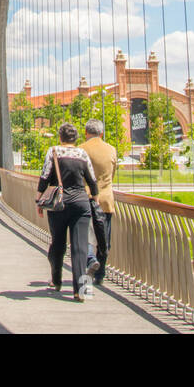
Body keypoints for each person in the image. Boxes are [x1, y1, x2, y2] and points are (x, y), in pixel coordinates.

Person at [36, 123, 99, 301]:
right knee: (80, 247)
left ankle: (56, 279)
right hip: (81, 203)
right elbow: (92, 180)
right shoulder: (82, 154)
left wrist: (39, 199)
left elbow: (45, 176)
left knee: (58, 244)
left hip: (59, 204)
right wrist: (95, 197)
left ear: (60, 137)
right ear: (76, 138)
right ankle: (80, 290)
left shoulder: (54, 151)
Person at [79, 119, 117, 287]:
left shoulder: (81, 149)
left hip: (85, 199)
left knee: (86, 236)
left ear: (86, 133)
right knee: (104, 239)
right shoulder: (111, 150)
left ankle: (90, 260)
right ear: (101, 133)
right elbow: (112, 174)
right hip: (106, 200)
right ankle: (100, 275)